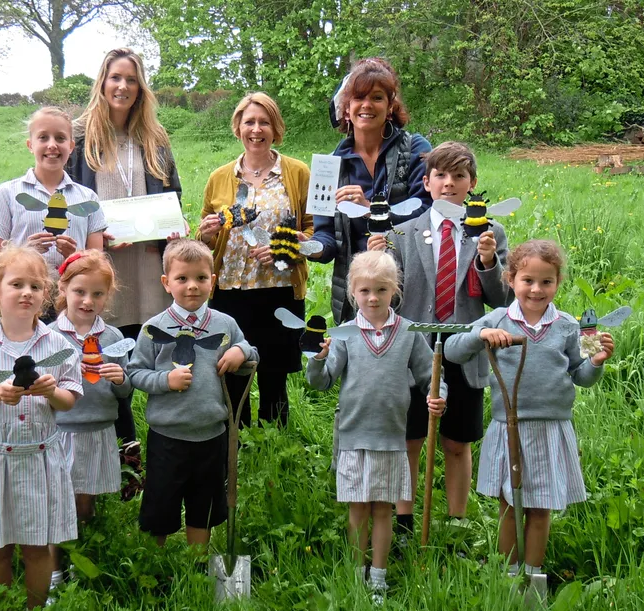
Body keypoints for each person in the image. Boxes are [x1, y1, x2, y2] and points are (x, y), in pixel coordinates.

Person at [443, 239, 615, 578]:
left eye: (546, 282)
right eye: (528, 281)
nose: (536, 290)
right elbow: (452, 350)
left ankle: (532, 575)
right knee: (510, 504)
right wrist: (481, 336)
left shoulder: (568, 325)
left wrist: (596, 361)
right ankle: (509, 575)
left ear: (557, 283)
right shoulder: (498, 320)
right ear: (511, 280)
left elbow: (581, 376)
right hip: (509, 426)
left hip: (551, 428)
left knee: (541, 508)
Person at [381, 141, 511, 541]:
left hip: (467, 346)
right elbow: (388, 297)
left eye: (459, 176)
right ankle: (404, 522)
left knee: (457, 441)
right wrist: (379, 264)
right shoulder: (400, 232)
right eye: (440, 175)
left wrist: (489, 262)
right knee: (411, 439)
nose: (449, 183)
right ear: (427, 182)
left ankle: (456, 523)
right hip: (414, 350)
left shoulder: (489, 233)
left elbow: (502, 300)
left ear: (472, 184)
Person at [0, 246, 83, 611]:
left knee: (37, 545)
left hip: (40, 458)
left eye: (35, 286)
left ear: (46, 295)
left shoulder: (57, 346)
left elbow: (70, 399)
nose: (26, 293)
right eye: (16, 284)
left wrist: (51, 392)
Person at [306, 251, 446, 603]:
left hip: (391, 437)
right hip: (354, 436)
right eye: (365, 290)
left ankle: (379, 577)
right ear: (352, 292)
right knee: (358, 509)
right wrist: (316, 359)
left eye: (381, 290)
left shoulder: (410, 332)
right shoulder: (344, 334)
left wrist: (438, 395)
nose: (373, 298)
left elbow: (431, 376)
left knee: (383, 508)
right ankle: (357, 572)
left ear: (394, 290)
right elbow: (322, 383)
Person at [67, 48, 183, 452]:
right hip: (101, 267)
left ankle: (160, 444)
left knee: (145, 351)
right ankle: (117, 449)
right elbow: (67, 201)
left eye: (131, 79)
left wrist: (174, 227)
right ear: (102, 83)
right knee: (106, 355)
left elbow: (173, 195)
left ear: (141, 88)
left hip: (147, 266)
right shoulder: (80, 138)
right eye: (115, 78)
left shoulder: (155, 136)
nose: (123, 86)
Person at [126, 239, 259, 547]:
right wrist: (165, 380)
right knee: (160, 502)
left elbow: (250, 357)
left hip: (211, 433)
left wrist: (240, 350)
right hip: (167, 435)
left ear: (212, 281)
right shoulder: (153, 328)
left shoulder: (225, 325)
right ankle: (154, 562)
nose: (192, 286)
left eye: (201, 278)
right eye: (182, 279)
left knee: (205, 505)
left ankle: (196, 563)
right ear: (166, 283)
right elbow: (135, 372)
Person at [198, 92, 312, 427]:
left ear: (276, 128)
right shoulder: (221, 177)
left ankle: (273, 449)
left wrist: (285, 247)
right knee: (233, 375)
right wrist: (205, 235)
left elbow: (314, 231)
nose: (256, 129)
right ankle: (236, 446)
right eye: (250, 121)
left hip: (279, 291)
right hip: (229, 293)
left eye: (264, 122)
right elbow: (205, 233)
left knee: (274, 378)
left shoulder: (297, 173)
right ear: (238, 128)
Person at [310, 58, 433, 324]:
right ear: (347, 108)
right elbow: (326, 239)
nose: (367, 105)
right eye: (359, 98)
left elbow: (428, 212)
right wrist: (306, 246)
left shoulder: (415, 148)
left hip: (412, 283)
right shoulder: (329, 166)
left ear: (390, 107)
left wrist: (369, 209)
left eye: (377, 97)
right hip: (360, 290)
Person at [47, 249, 132, 595]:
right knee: (57, 502)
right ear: (62, 289)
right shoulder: (49, 336)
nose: (87, 300)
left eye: (98, 294)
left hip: (98, 431)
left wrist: (120, 379)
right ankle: (53, 573)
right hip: (60, 431)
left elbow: (127, 391)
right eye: (80, 291)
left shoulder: (112, 337)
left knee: (85, 501)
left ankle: (82, 558)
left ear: (107, 297)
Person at [0, 107, 107, 275]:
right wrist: (24, 253)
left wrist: (75, 257)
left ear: (71, 147)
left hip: (71, 298)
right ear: (30, 145)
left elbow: (97, 262)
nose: (52, 145)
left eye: (60, 138)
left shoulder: (87, 197)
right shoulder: (8, 193)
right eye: (43, 137)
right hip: (24, 297)